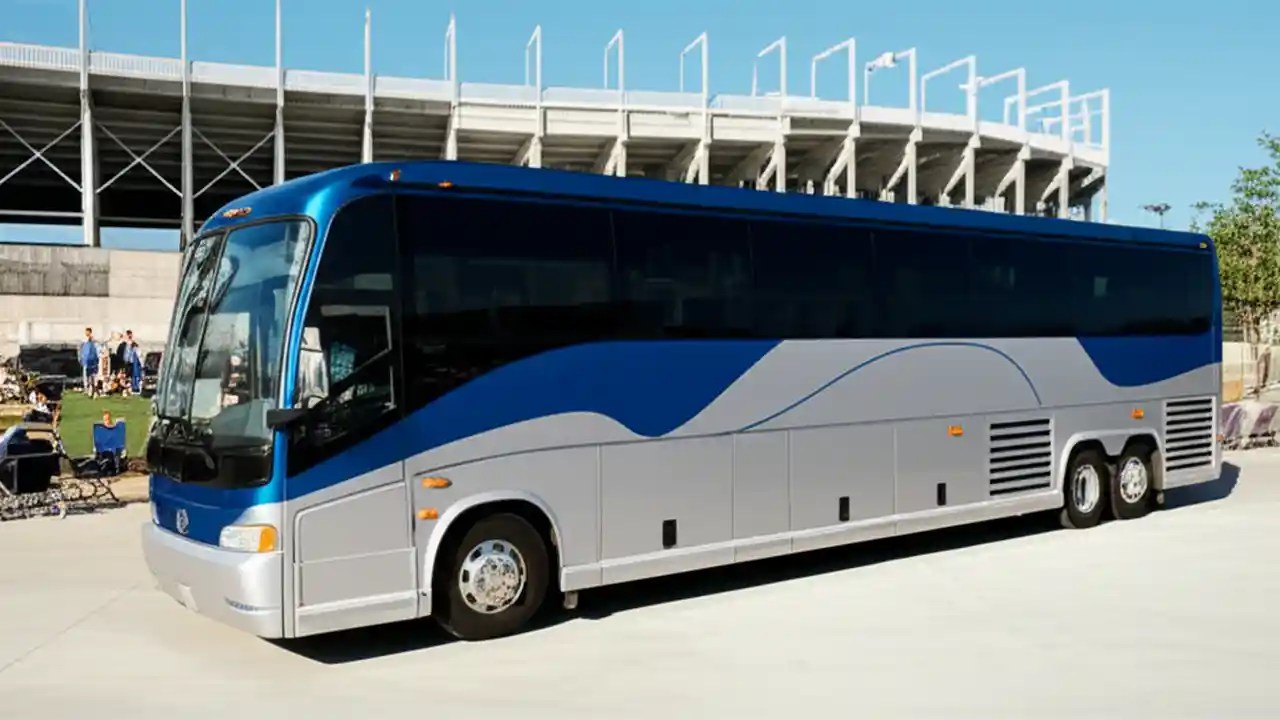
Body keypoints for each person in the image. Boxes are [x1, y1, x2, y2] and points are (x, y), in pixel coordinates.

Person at [79, 327, 98, 395]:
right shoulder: (84, 340)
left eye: (87, 332)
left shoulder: (92, 340)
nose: (86, 333)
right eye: (86, 332)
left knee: (92, 375)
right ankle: (86, 388)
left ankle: (93, 388)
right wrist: (81, 358)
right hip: (86, 360)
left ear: (90, 332)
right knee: (85, 374)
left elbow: (95, 347)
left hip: (92, 360)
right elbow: (81, 349)